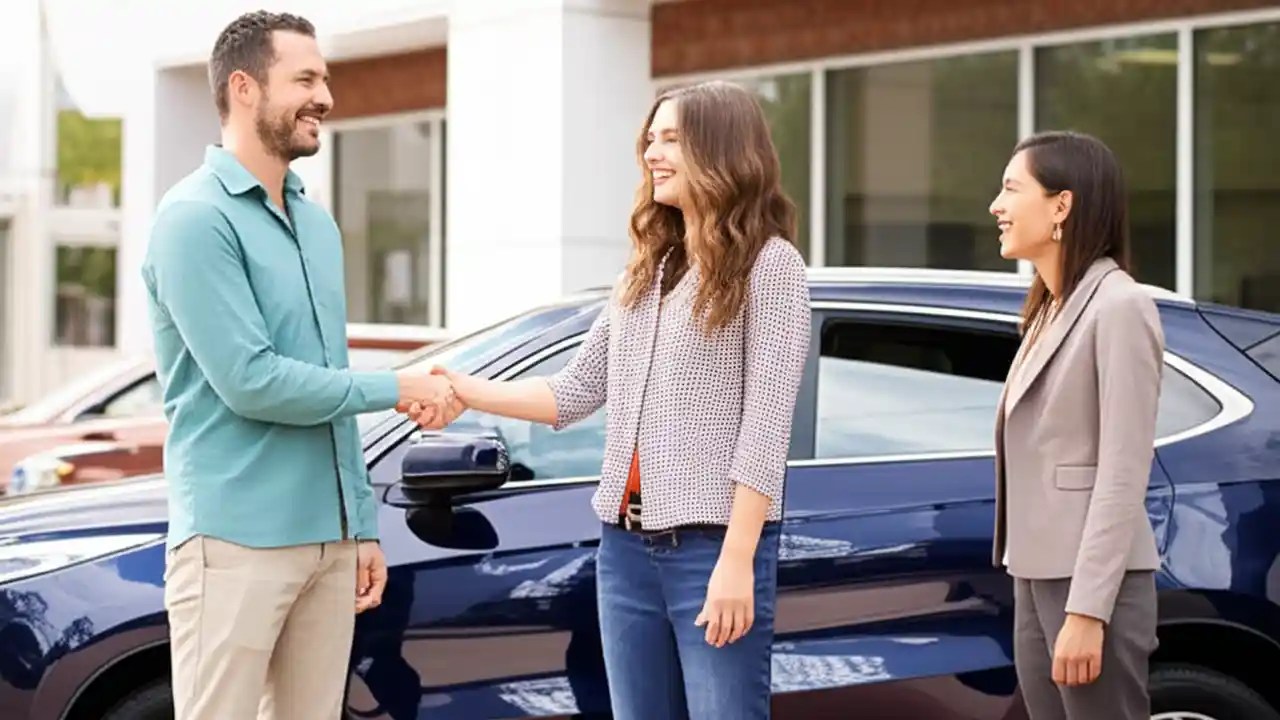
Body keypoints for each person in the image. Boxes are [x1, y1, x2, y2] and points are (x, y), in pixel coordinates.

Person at [407, 80, 811, 719]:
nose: (653, 152)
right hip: (624, 550)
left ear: (723, 151)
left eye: (672, 139)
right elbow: (573, 392)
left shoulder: (771, 267)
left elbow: (766, 428)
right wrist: (464, 389)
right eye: (650, 138)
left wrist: (736, 562)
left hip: (710, 546)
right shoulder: (644, 272)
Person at [141, 11, 451, 720]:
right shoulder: (194, 218)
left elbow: (326, 375)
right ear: (244, 89)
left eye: (326, 78)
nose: (326, 97)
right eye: (305, 79)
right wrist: (400, 387)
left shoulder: (314, 221)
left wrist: (360, 524)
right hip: (234, 543)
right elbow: (252, 380)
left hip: (329, 542)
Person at [989, 130, 1163, 720]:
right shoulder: (1047, 309)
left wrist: (1089, 612)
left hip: (1090, 586)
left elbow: (1122, 471)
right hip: (1035, 573)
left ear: (1061, 205)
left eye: (1012, 188)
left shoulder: (1120, 306)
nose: (996, 205)